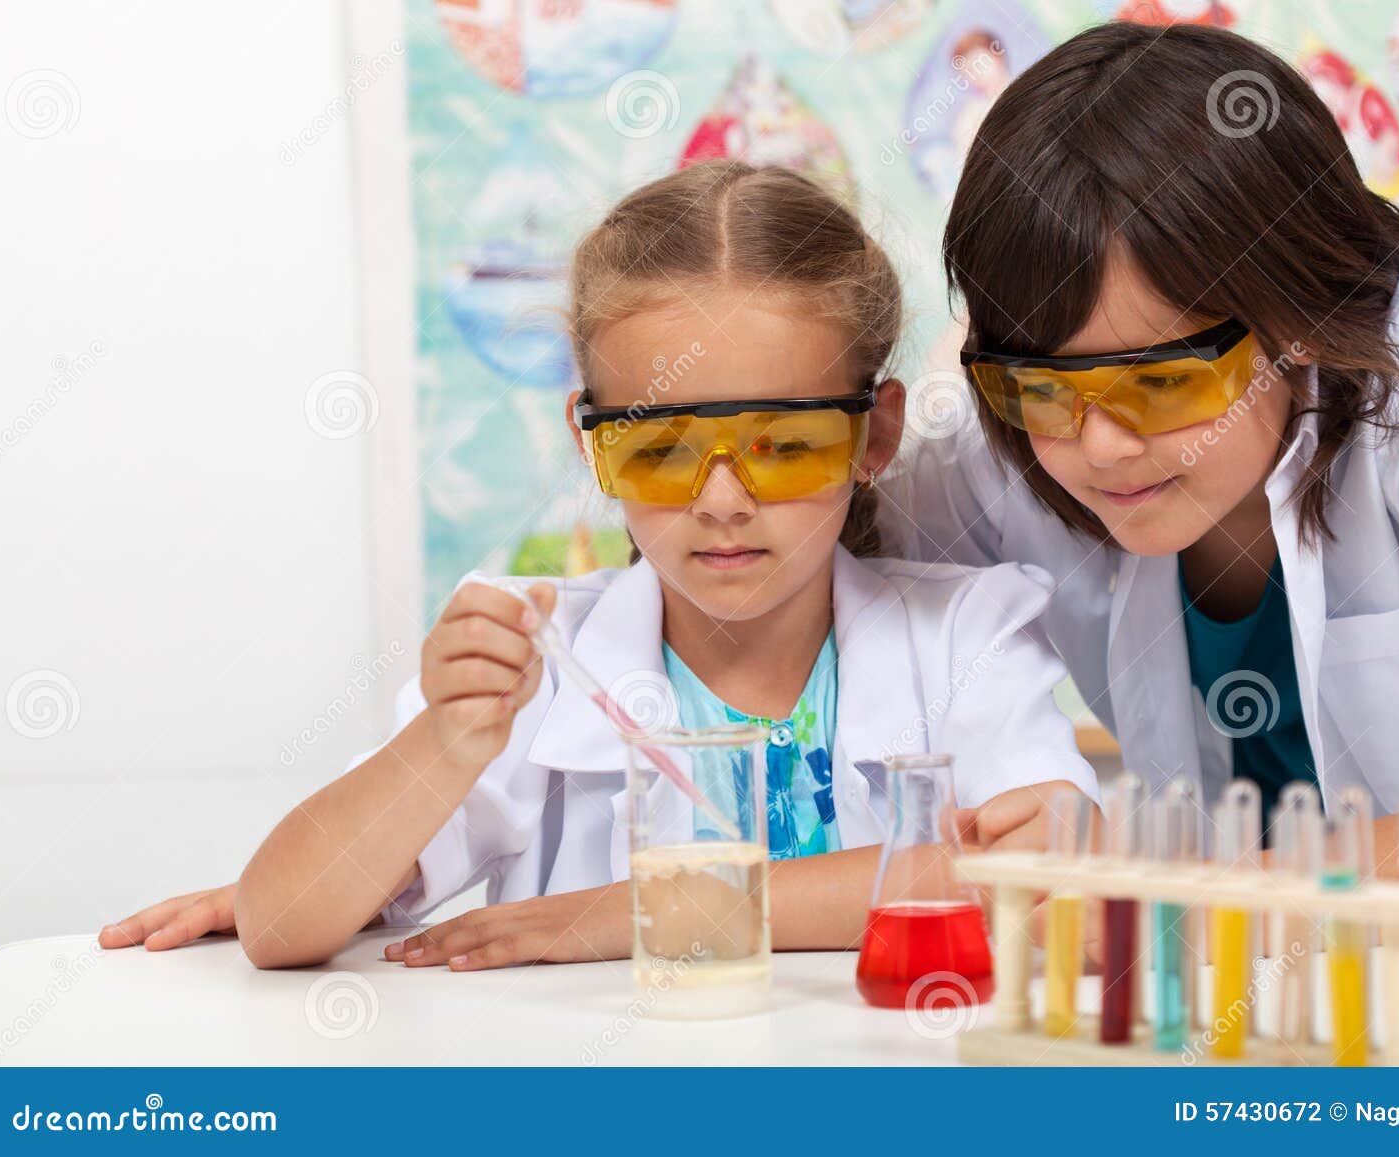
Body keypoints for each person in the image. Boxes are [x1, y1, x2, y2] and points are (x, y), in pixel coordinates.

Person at [100, 161, 1097, 967]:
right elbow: (282, 925)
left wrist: (626, 911)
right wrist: (442, 743)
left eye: (784, 443)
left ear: (873, 435)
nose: (720, 499)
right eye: (659, 448)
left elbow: (1055, 886)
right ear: (592, 444)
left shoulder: (966, 634)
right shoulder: (542, 660)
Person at [882, 22, 1399, 933]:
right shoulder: (1005, 432)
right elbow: (801, 569)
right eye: (1046, 387)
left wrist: (1170, 905)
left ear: (1298, 317)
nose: (1102, 445)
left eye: (1163, 382)